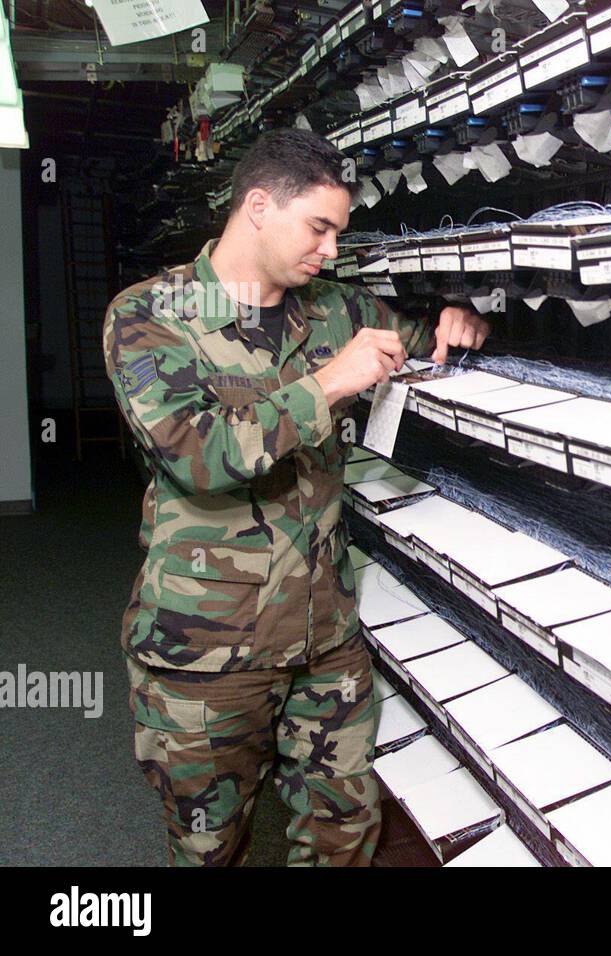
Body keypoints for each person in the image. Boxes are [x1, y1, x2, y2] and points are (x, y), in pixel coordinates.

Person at [102, 128, 490, 866]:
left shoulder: (339, 311)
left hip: (324, 641)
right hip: (205, 654)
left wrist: (458, 325)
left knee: (345, 834)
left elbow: (433, 346)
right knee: (209, 846)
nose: (332, 250)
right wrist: (329, 384)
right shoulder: (148, 316)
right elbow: (196, 455)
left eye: (339, 232)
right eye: (319, 227)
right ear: (257, 206)